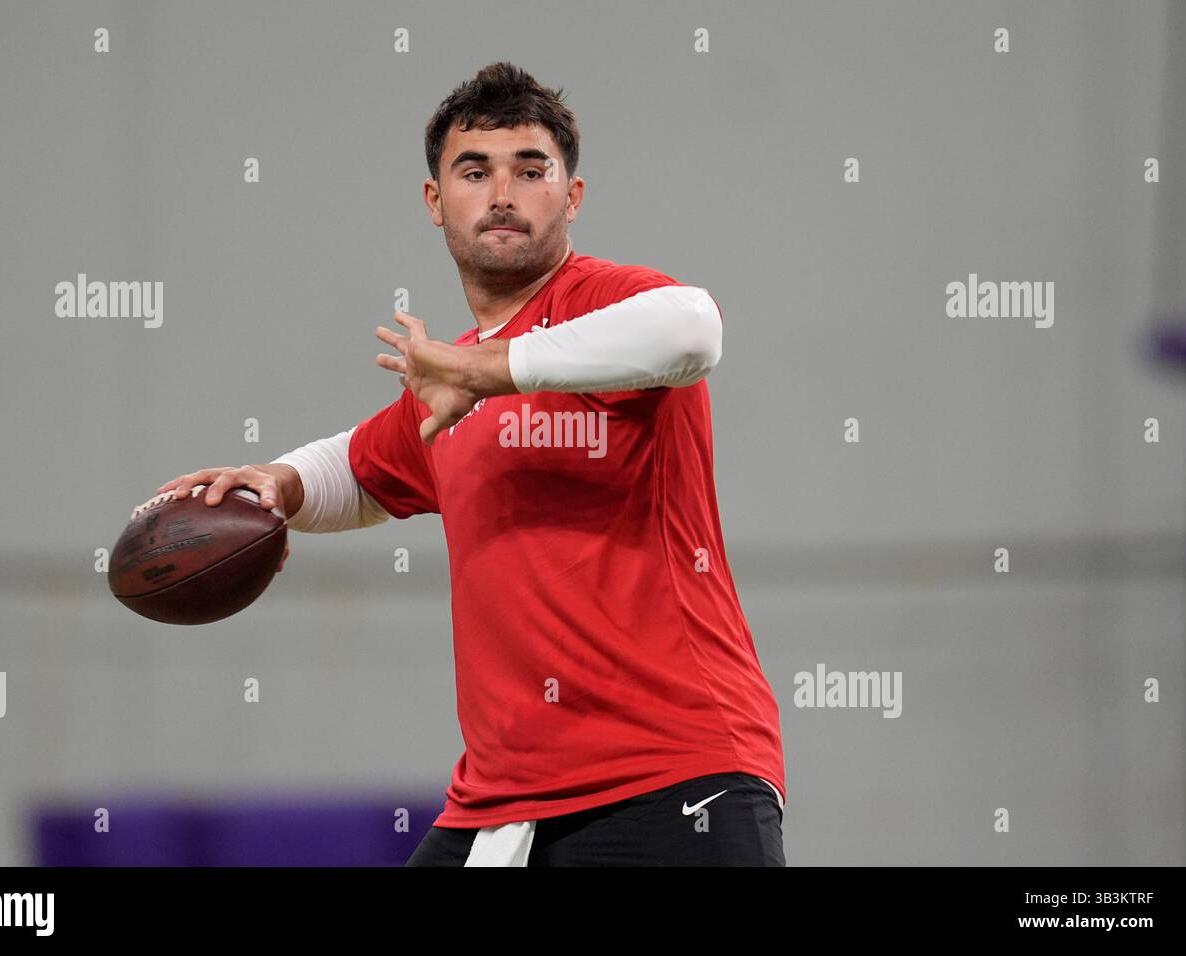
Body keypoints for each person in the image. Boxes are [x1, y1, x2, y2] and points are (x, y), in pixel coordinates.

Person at [154, 62, 785, 866]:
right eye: (474, 171)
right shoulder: (451, 386)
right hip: (503, 804)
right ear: (434, 201)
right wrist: (275, 484)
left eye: (532, 171)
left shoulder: (599, 309)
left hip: (672, 776)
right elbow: (360, 465)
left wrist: (487, 371)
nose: (503, 194)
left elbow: (694, 330)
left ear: (573, 197)